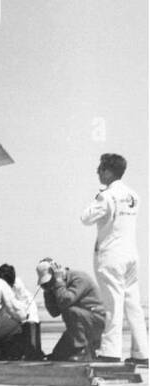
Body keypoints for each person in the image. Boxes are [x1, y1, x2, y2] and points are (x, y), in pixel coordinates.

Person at [79, 154, 149, 366]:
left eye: (100, 169)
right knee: (133, 306)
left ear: (108, 171)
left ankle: (111, 352)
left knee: (113, 304)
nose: (98, 172)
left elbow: (86, 218)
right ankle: (142, 353)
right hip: (131, 255)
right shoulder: (133, 195)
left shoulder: (107, 196)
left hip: (111, 255)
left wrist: (97, 197)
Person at [36, 258, 106, 361]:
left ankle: (82, 350)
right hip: (82, 325)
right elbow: (54, 312)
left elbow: (65, 301)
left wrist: (58, 282)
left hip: (96, 322)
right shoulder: (58, 286)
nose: (49, 285)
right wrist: (47, 292)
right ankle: (83, 349)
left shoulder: (79, 278)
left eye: (49, 281)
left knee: (70, 311)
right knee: (57, 355)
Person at [0, 264, 45, 360]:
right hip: (17, 309)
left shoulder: (16, 284)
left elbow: (16, 302)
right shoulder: (3, 283)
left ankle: (33, 352)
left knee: (29, 331)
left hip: (25, 309)